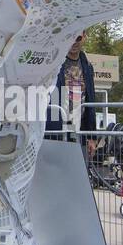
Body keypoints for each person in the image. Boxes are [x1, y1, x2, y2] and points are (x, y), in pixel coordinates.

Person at [44, 32, 99, 161]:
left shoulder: (87, 66)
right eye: (70, 37)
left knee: (77, 167)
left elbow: (91, 99)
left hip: (79, 125)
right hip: (57, 126)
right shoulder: (55, 62)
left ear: (84, 37)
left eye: (78, 38)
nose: (74, 42)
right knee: (56, 167)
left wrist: (92, 136)